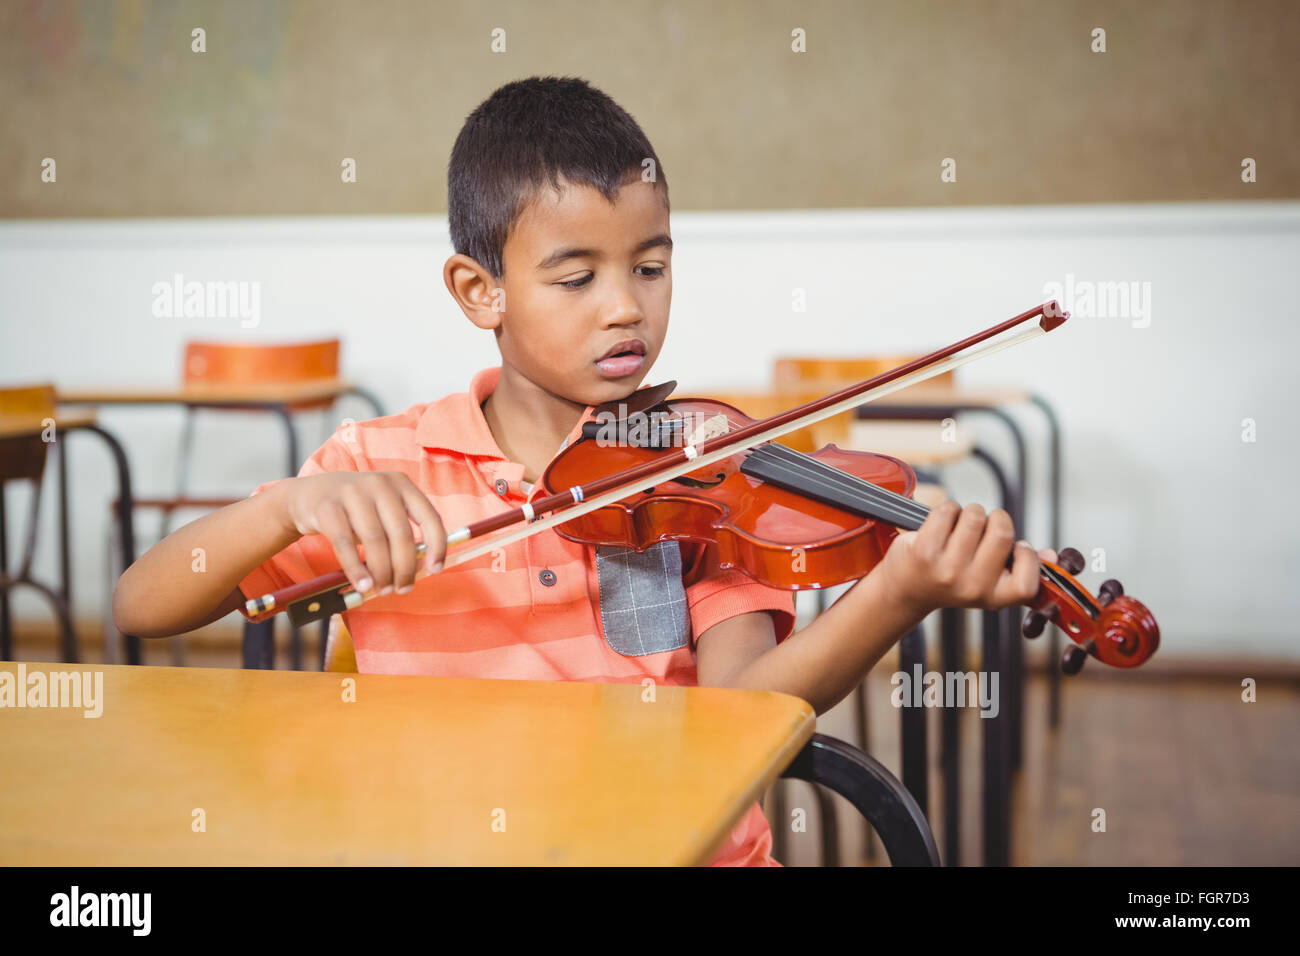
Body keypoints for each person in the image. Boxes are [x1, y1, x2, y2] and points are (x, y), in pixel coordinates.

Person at [113, 75, 1051, 866]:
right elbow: (143, 607)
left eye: (650, 267)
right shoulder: (376, 466)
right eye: (577, 278)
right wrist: (288, 505)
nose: (624, 310)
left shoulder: (705, 476)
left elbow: (743, 710)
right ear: (480, 291)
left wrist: (897, 592)